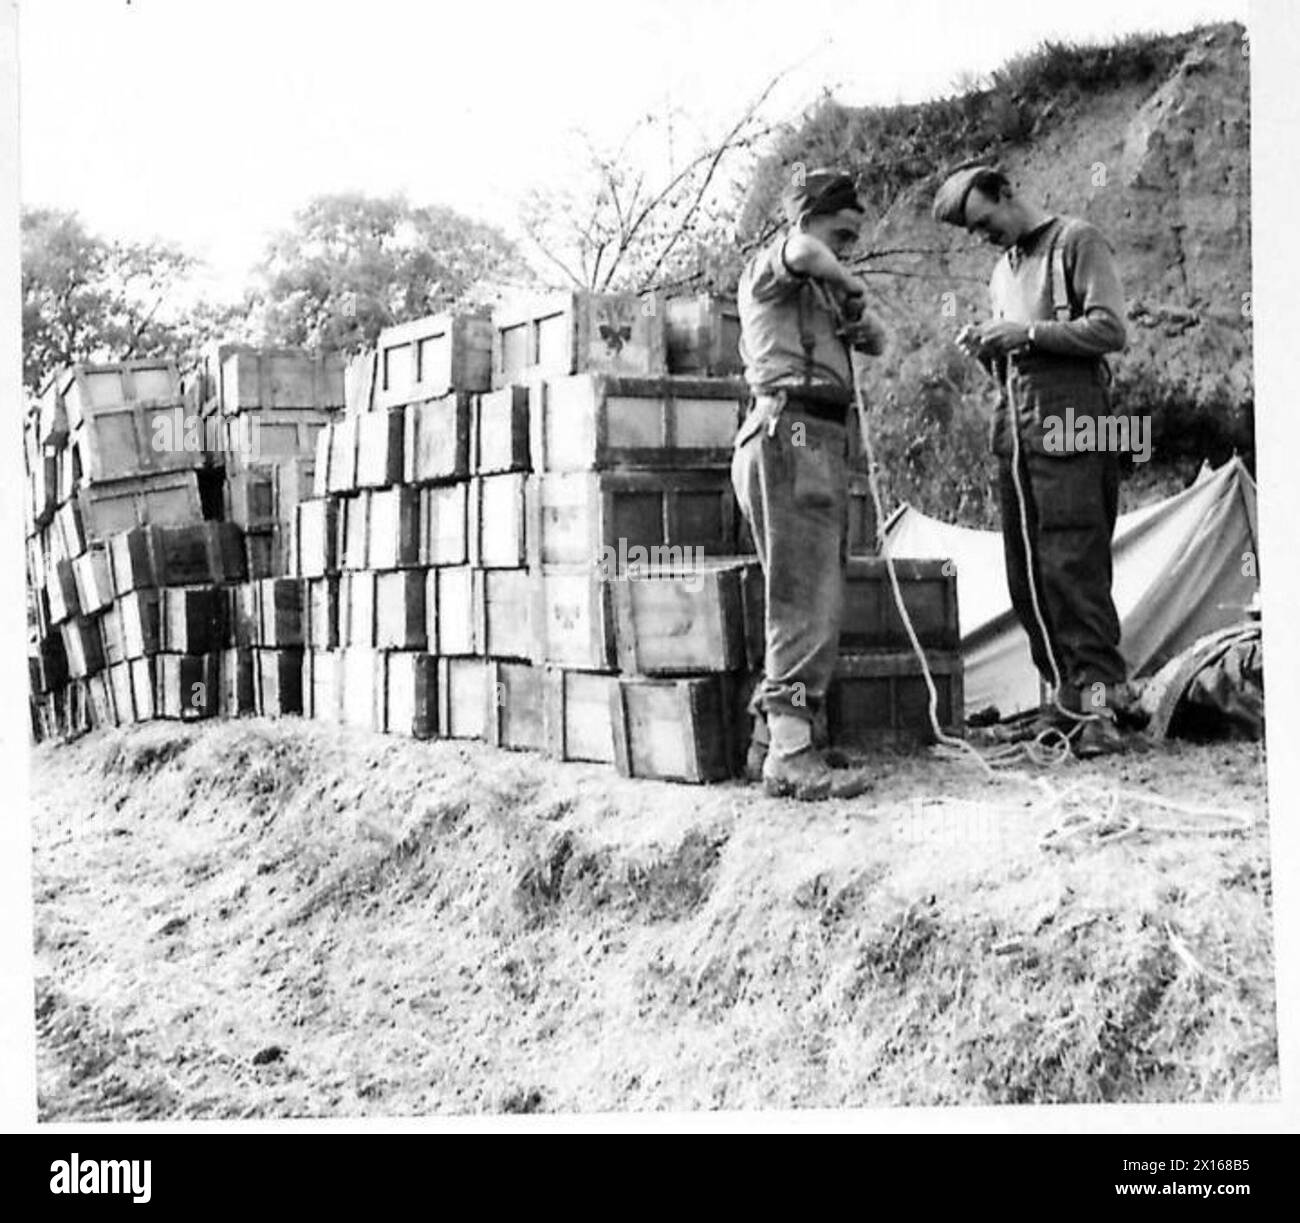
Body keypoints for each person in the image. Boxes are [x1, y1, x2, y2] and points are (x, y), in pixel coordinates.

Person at [931, 161, 1132, 756]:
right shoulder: (1002, 272)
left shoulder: (1077, 241)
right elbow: (1012, 359)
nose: (981, 237)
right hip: (1017, 434)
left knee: (1076, 569)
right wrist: (988, 349)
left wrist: (1029, 334)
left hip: (1075, 425)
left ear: (1006, 192)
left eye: (981, 221)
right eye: (970, 232)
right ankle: (1065, 701)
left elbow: (1110, 329)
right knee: (1029, 576)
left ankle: (1100, 708)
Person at [733, 167, 887, 800]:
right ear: (807, 220)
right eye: (840, 234)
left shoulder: (820, 285)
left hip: (812, 437)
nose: (845, 250)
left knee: (805, 593)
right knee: (805, 600)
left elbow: (879, 342)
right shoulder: (782, 260)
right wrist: (845, 280)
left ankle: (771, 743)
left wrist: (859, 315)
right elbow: (800, 250)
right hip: (791, 431)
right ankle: (791, 753)